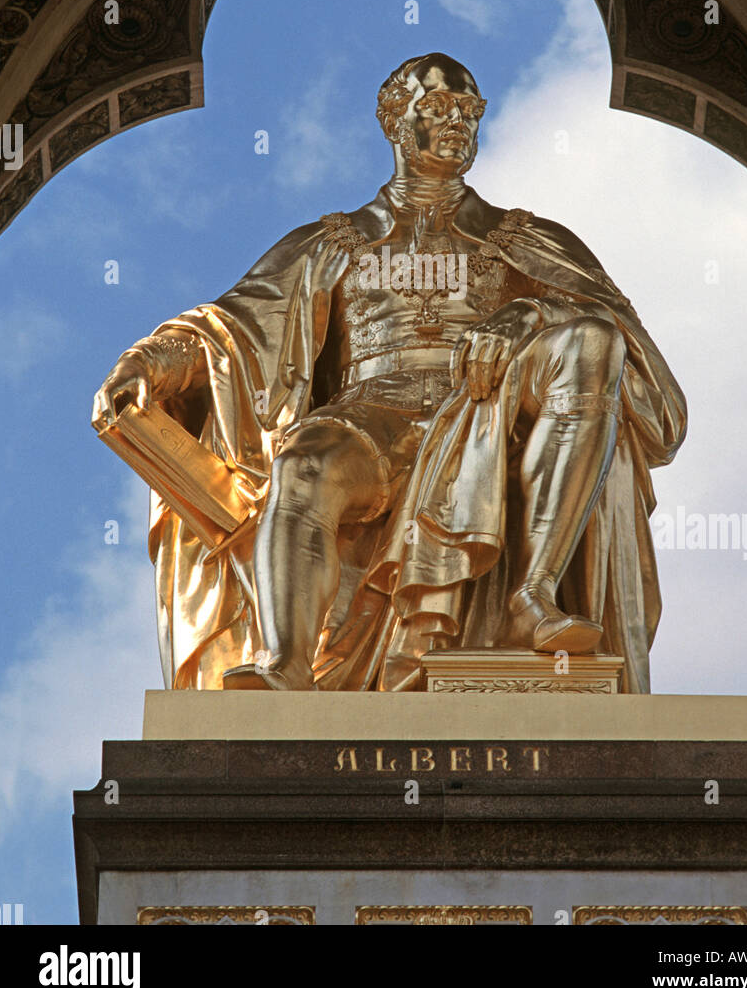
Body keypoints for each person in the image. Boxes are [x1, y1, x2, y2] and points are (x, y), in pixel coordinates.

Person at [92, 52, 686, 692]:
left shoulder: (530, 240)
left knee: (592, 340)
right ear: (393, 122)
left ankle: (533, 596)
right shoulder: (332, 243)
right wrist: (147, 362)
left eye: (469, 110)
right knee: (305, 465)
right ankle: (285, 664)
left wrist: (532, 312)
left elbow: (626, 349)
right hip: (371, 415)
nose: (457, 122)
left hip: (490, 409)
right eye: (436, 107)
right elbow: (233, 326)